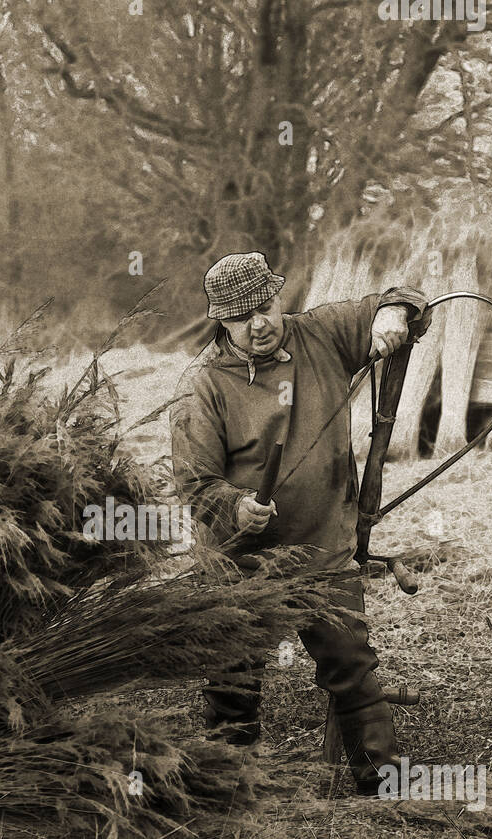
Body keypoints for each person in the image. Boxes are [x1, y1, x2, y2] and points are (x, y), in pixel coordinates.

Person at [170, 250, 430, 792]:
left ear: (278, 297)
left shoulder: (321, 334)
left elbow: (405, 302)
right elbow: (195, 485)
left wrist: (393, 314)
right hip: (241, 560)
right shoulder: (202, 387)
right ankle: (230, 780)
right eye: (243, 317)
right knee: (233, 678)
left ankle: (385, 781)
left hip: (322, 545)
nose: (259, 323)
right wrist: (236, 507)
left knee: (350, 664)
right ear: (221, 320)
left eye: (265, 306)